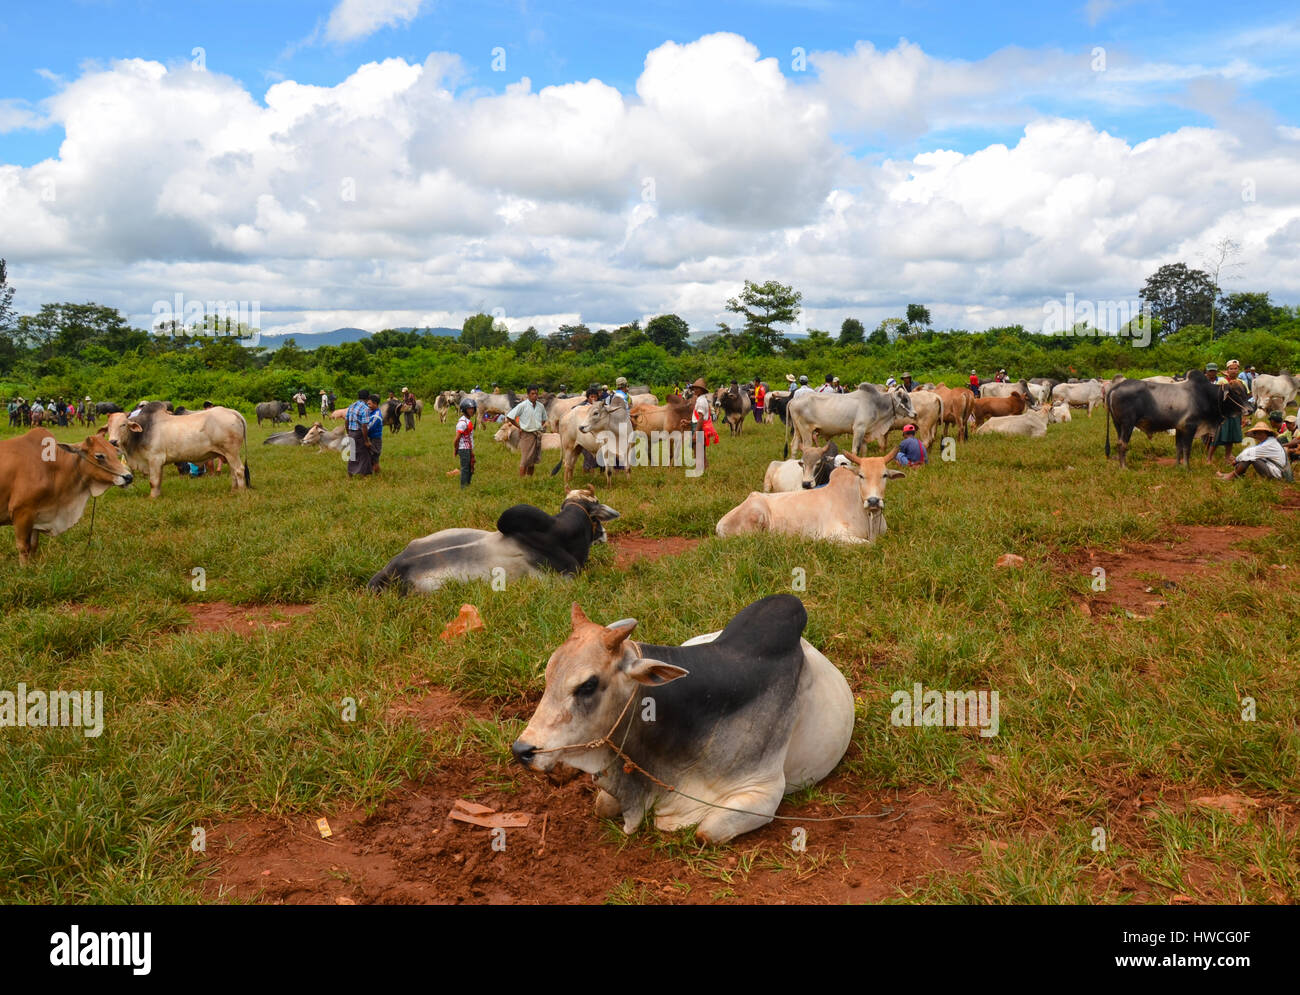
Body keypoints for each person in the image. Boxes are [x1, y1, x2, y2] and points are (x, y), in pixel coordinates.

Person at [1206, 360, 1246, 465]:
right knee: (1217, 436)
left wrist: (1243, 415)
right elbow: (1217, 397)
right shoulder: (1222, 381)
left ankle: (1227, 457)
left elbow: (1243, 399)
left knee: (1231, 436)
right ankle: (1209, 458)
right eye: (1231, 368)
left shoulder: (1242, 383)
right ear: (1227, 370)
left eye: (1235, 368)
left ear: (1238, 370)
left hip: (1236, 413)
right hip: (1224, 413)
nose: (1233, 370)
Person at [1217, 421, 1287, 480]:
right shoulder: (1270, 441)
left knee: (1250, 457)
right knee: (1250, 456)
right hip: (1276, 470)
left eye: (1260, 432)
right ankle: (1237, 474)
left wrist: (1236, 460)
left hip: (1276, 473)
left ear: (1266, 433)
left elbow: (1249, 452)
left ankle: (1232, 475)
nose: (1257, 435)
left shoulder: (1269, 444)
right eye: (1256, 433)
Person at [505, 384, 548, 477]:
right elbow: (510, 416)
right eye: (532, 394)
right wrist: (519, 427)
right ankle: (522, 481)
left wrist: (538, 425)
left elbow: (544, 418)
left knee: (533, 460)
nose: (535, 396)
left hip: (537, 434)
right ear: (528, 395)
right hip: (526, 434)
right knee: (525, 459)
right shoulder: (523, 405)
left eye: (536, 394)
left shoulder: (540, 406)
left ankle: (529, 479)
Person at [689, 378, 718, 469]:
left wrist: (696, 433)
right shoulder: (701, 400)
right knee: (700, 449)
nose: (695, 390)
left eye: (697, 388)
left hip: (698, 427)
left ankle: (701, 468)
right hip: (698, 426)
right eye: (694, 388)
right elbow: (698, 417)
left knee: (697, 448)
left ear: (701, 390)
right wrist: (689, 422)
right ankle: (705, 467)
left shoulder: (701, 401)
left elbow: (701, 418)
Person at [345, 390, 372, 477]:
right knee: (364, 453)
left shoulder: (352, 406)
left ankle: (350, 472)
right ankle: (363, 473)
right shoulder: (366, 408)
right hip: (359, 433)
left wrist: (348, 433)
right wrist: (366, 441)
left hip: (351, 432)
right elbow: (364, 426)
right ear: (368, 398)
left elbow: (346, 420)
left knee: (353, 453)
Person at [454, 397, 476, 487]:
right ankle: (464, 486)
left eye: (473, 408)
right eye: (469, 409)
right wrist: (456, 449)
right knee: (465, 468)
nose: (472, 410)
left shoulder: (468, 421)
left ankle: (468, 484)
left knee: (471, 466)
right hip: (464, 448)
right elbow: (457, 438)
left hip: (468, 448)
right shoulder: (462, 423)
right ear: (464, 409)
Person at [364, 394, 385, 473]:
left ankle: (377, 475)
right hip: (371, 438)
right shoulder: (371, 412)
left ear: (375, 404)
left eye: (369, 404)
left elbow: (368, 428)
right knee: (370, 457)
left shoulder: (376, 416)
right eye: (367, 404)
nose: (367, 405)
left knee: (374, 458)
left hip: (375, 440)